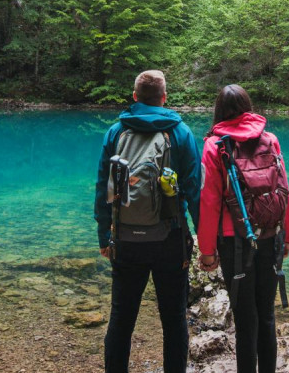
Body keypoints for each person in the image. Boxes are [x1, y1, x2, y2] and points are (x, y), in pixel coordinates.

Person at [94, 69, 202, 373]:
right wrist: (207, 243)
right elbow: (194, 192)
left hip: (126, 239)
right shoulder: (180, 132)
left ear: (134, 97)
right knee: (174, 320)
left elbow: (103, 188)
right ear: (164, 98)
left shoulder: (115, 132)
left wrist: (104, 235)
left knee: (121, 319)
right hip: (170, 240)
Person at [198, 84, 289, 373]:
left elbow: (209, 202)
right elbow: (284, 190)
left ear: (218, 111)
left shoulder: (215, 146)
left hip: (234, 243)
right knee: (266, 315)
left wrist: (207, 252)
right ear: (248, 106)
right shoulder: (270, 140)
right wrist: (286, 237)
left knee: (245, 319)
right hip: (270, 236)